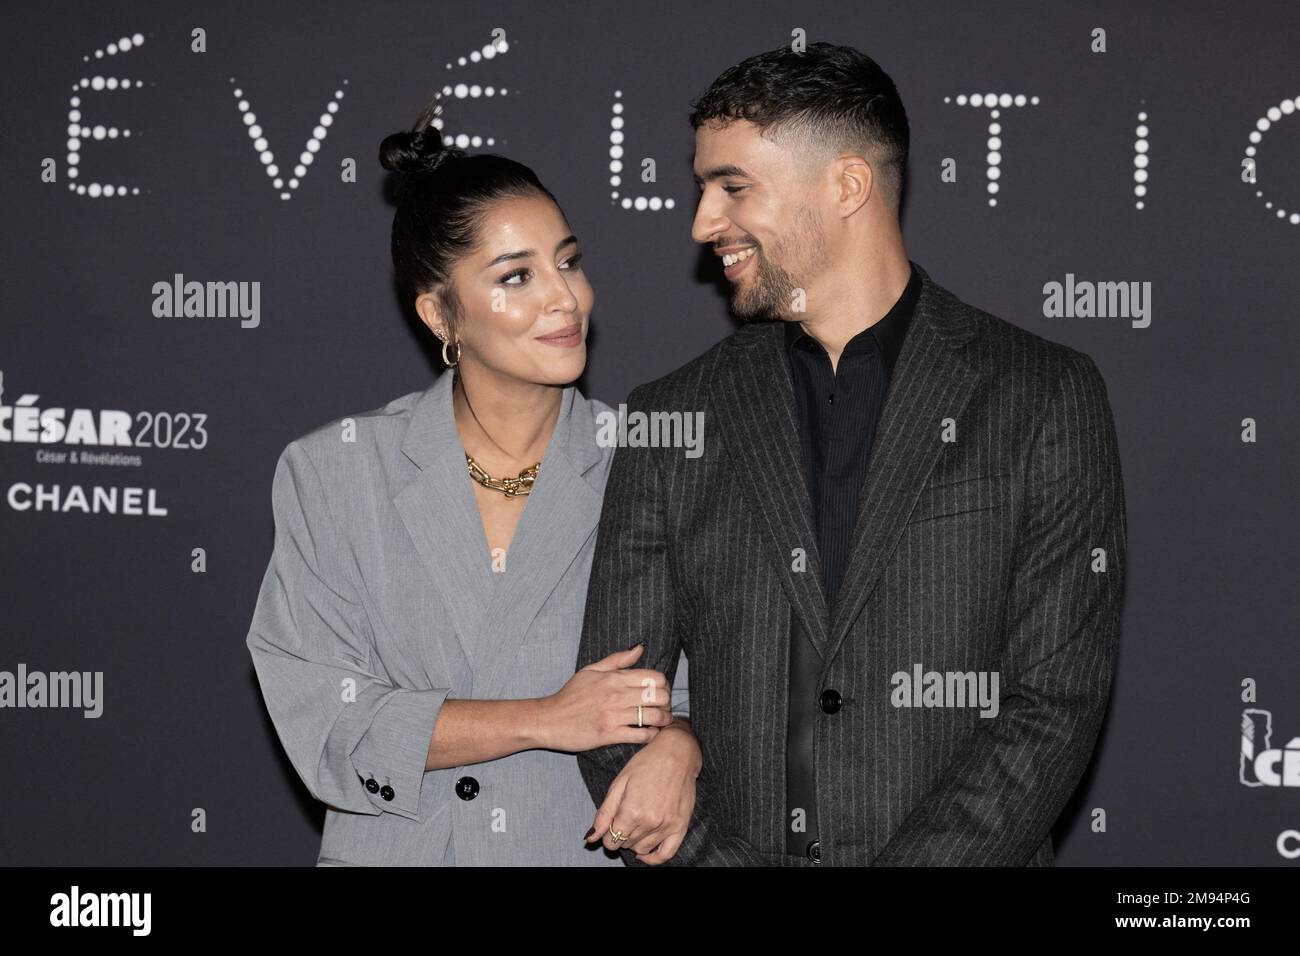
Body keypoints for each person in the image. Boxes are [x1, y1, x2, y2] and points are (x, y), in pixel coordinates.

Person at [577, 42, 1128, 866]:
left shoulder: (1042, 395)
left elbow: (1053, 703)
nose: (701, 223)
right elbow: (617, 704)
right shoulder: (671, 416)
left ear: (847, 185)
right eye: (703, 189)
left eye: (732, 187)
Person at [245, 99, 701, 866]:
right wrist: (543, 718)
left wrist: (683, 746)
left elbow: (728, 685)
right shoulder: (335, 472)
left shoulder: (652, 457)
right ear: (439, 313)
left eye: (568, 260)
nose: (565, 297)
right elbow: (326, 720)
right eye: (516, 276)